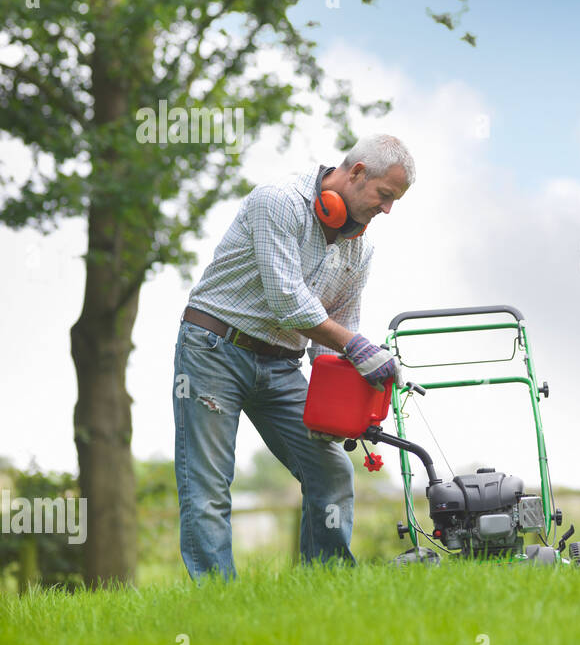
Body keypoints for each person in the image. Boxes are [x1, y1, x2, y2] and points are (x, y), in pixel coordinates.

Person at [172, 134, 414, 581]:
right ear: (357, 173)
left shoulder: (358, 247)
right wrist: (359, 349)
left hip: (282, 363)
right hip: (214, 350)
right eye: (385, 196)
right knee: (209, 485)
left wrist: (342, 405)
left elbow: (337, 328)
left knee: (330, 469)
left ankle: (328, 585)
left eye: (394, 201)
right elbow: (289, 302)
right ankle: (217, 597)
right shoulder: (278, 201)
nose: (387, 210)